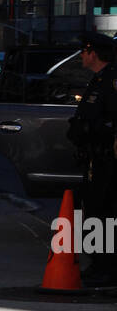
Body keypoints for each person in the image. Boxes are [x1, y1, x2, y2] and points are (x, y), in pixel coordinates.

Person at [67, 30, 117, 288]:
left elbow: (111, 123)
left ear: (93, 52)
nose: (81, 55)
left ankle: (105, 268)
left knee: (103, 215)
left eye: (84, 51)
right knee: (94, 213)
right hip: (93, 160)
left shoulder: (111, 81)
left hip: (107, 161)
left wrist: (91, 129)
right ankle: (99, 264)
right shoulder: (97, 81)